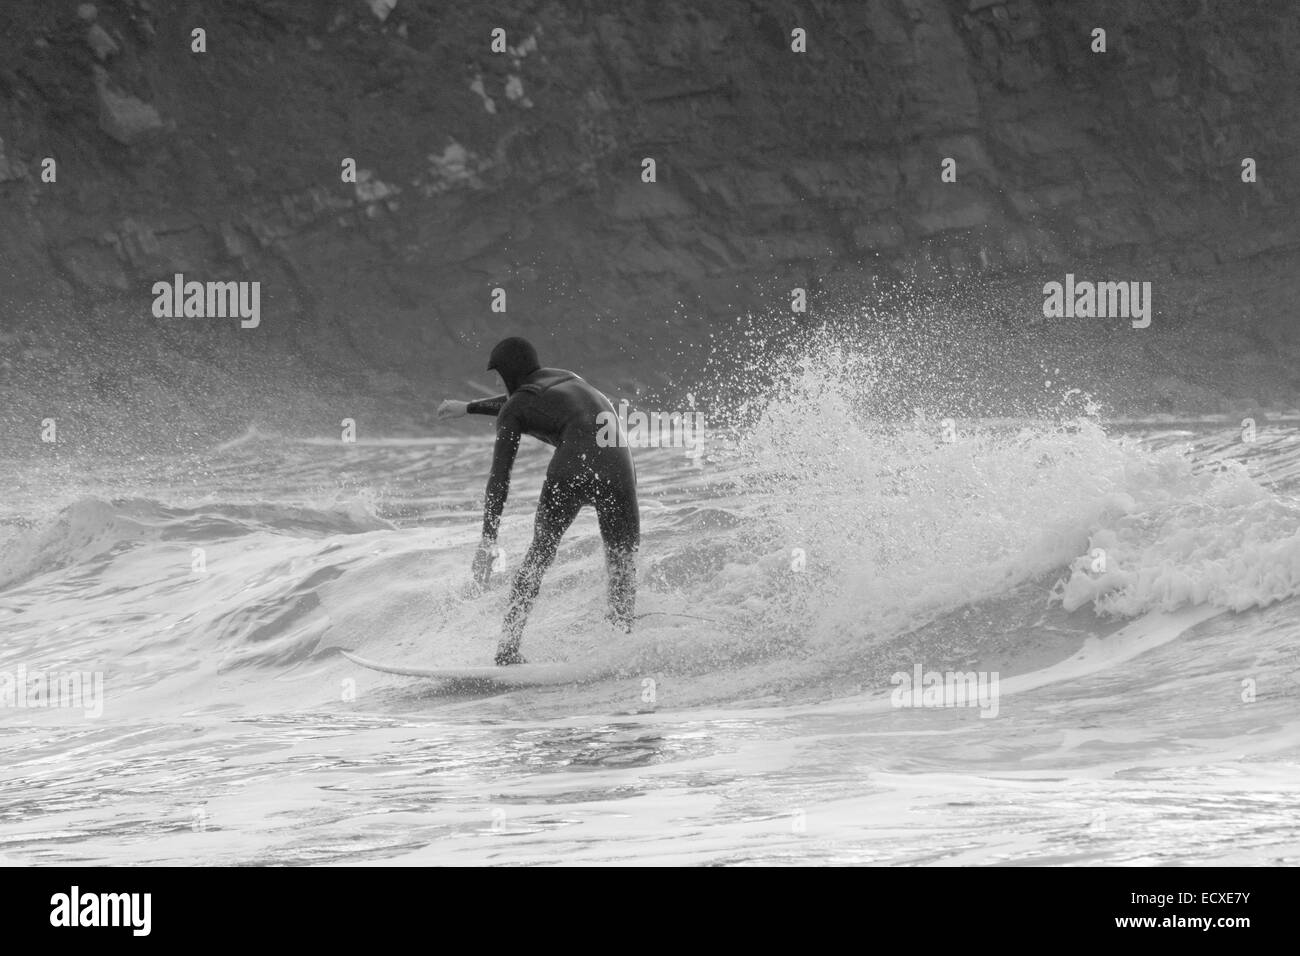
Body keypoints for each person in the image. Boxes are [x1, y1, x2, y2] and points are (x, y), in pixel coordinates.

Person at [437, 337, 639, 665]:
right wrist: (469, 408)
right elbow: (521, 402)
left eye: (498, 377)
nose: (498, 384)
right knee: (622, 563)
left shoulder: (517, 405)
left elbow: (499, 478)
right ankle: (622, 644)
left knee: (539, 555)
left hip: (574, 464)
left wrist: (488, 540)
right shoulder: (567, 378)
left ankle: (507, 651)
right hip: (619, 466)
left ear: (507, 374)